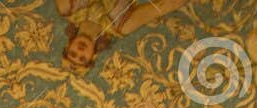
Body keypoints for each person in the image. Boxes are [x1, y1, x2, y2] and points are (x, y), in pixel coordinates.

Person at [54, 0, 192, 71]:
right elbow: (164, 6)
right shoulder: (121, 26)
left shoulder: (67, 8)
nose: (80, 50)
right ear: (93, 55)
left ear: (68, 45)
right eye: (83, 58)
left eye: (72, 53)